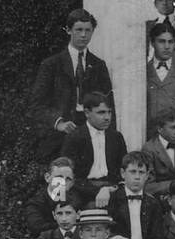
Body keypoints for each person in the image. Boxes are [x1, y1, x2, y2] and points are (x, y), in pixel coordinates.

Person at [30, 8, 115, 159]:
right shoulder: (51, 65)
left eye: (88, 30)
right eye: (79, 30)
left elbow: (108, 104)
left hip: (91, 134)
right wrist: (59, 123)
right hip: (59, 137)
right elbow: (37, 105)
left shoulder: (98, 65)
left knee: (88, 176)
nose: (83, 35)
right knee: (61, 179)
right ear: (68, 30)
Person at [60, 91, 127, 206]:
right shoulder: (74, 137)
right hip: (82, 189)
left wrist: (111, 188)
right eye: (101, 112)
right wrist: (97, 191)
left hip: (111, 187)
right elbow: (69, 176)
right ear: (87, 113)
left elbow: (123, 169)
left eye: (109, 112)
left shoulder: (116, 137)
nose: (107, 117)